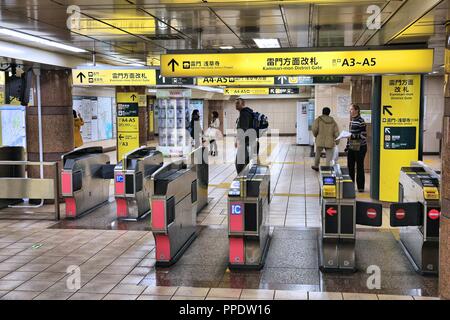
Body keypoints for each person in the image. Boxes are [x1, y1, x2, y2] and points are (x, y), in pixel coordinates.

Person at [346, 104, 367, 192]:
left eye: (351, 109)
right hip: (352, 146)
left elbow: (363, 135)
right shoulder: (352, 121)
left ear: (356, 110)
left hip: (360, 147)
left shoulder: (361, 121)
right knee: (350, 167)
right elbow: (350, 135)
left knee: (359, 167)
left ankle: (361, 187)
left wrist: (352, 136)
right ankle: (351, 186)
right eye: (350, 109)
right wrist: (347, 145)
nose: (350, 111)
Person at [235, 98, 256, 174]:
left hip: (245, 142)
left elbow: (244, 129)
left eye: (238, 103)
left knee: (239, 164)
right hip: (249, 141)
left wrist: (240, 141)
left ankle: (242, 179)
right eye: (235, 103)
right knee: (245, 162)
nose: (236, 105)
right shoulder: (248, 112)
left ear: (243, 103)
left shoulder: (244, 113)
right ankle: (245, 179)